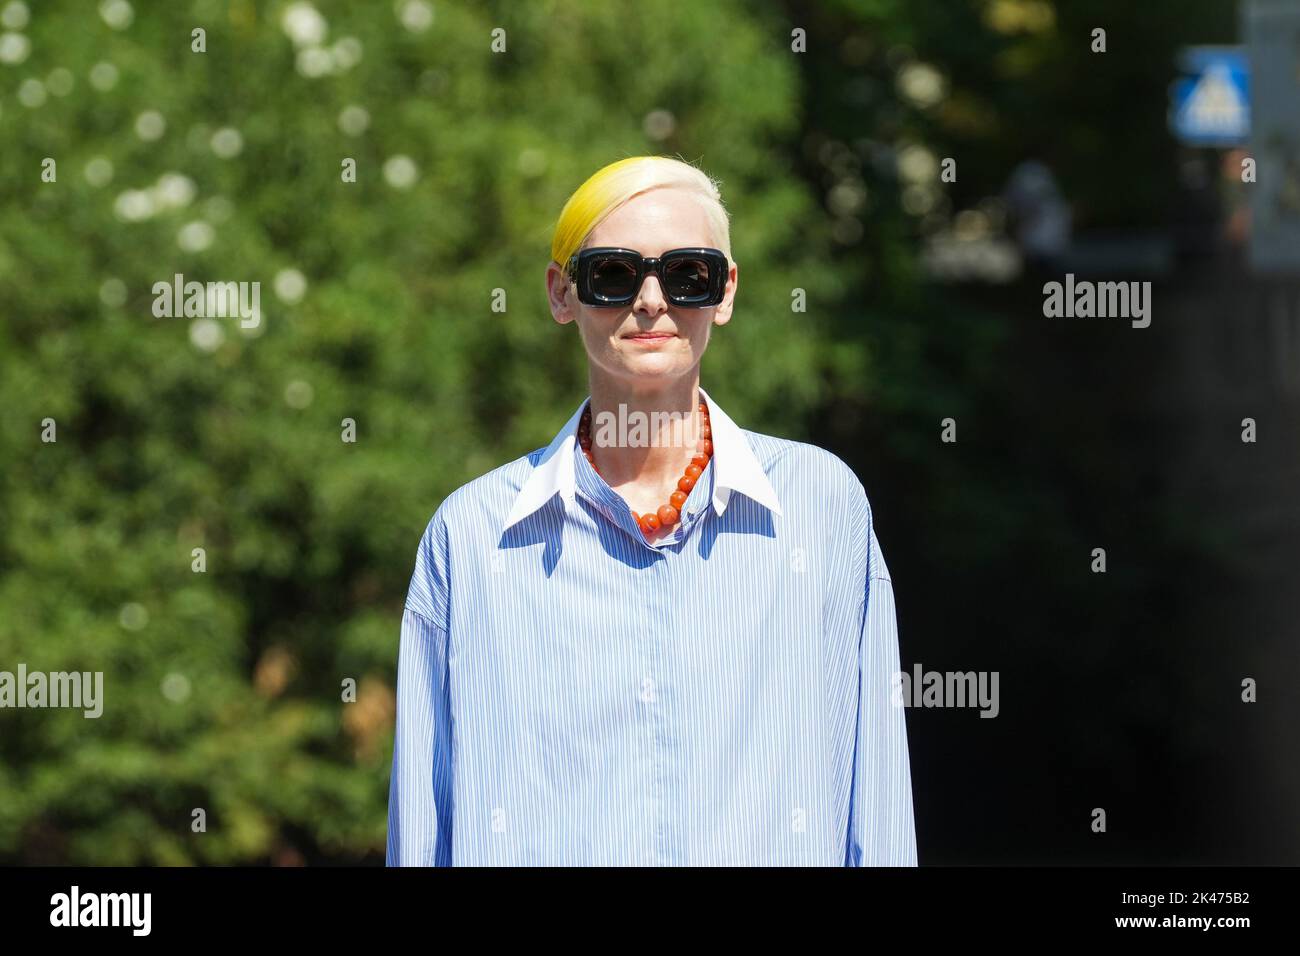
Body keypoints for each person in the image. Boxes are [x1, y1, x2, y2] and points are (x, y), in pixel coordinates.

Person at [386, 155, 916, 866]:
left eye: (688, 274)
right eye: (613, 273)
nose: (651, 300)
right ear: (561, 293)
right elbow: (423, 832)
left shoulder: (822, 510)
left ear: (725, 292)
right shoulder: (471, 538)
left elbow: (876, 810)